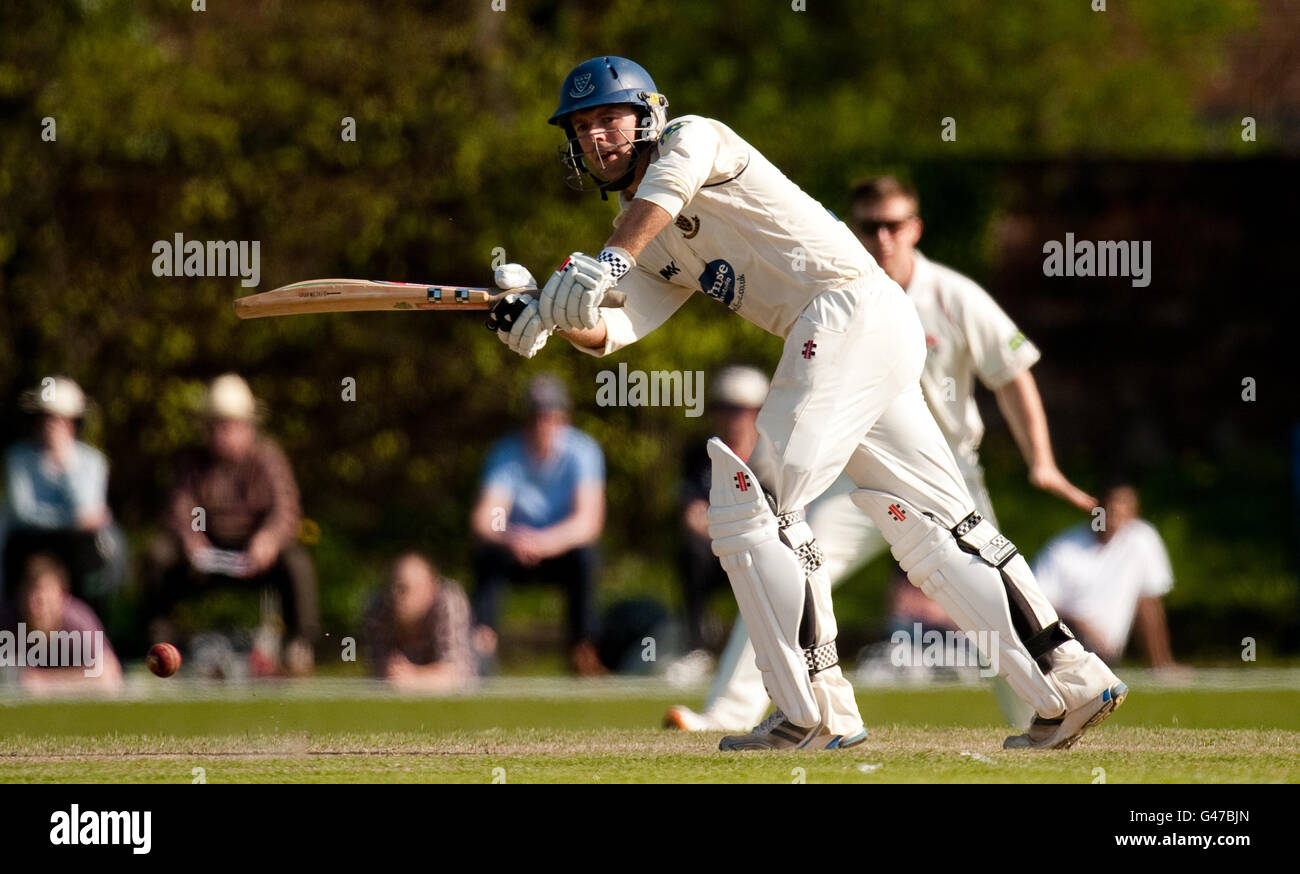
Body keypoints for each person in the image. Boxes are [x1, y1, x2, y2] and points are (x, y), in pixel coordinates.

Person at [492, 56, 1125, 750]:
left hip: (845, 312)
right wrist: (549, 321)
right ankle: (1071, 679)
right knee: (939, 525)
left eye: (609, 119)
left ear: (648, 115)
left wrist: (598, 266)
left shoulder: (696, 140)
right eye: (582, 128)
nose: (597, 138)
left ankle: (812, 711)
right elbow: (617, 326)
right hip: (863, 329)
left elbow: (656, 205)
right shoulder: (643, 235)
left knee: (754, 502)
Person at [666, 175, 1095, 732]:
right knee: (776, 558)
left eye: (895, 225)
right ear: (854, 227)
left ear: (914, 228)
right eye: (870, 226)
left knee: (982, 597)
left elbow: (1012, 375)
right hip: (853, 469)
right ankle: (739, 711)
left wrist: (1041, 459)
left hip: (946, 473)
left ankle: (1053, 706)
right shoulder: (836, 286)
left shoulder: (952, 295)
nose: (883, 237)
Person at [144, 373, 319, 675]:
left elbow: (285, 509)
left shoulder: (268, 458)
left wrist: (268, 539)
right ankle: (160, 648)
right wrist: (191, 539)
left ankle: (300, 648)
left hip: (255, 554)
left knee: (296, 562)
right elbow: (179, 508)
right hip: (203, 555)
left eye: (230, 425)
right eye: (216, 425)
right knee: (158, 556)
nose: (222, 433)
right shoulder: (191, 462)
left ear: (249, 426)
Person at [469, 375, 606, 676]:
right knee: (486, 556)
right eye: (535, 417)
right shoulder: (505, 454)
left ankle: (584, 649)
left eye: (549, 416)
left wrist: (544, 542)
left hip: (561, 550)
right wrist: (509, 537)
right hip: (515, 551)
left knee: (585, 558)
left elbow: (588, 522)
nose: (542, 425)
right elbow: (486, 518)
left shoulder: (583, 452)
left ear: (563, 418)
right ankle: (482, 645)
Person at [2, 377, 127, 606]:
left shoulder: (93, 462)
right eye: (46, 418)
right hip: (30, 543)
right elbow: (23, 513)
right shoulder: (17, 458)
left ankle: (90, 617)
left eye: (59, 420)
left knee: (90, 548)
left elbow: (88, 509)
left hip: (75, 548)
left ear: (73, 423)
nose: (51, 425)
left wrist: (66, 465)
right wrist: (71, 520)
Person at [1033, 481, 1180, 668]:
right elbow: (1037, 603)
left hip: (1105, 653)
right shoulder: (1063, 548)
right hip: (1063, 642)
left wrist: (1162, 663)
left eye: (1124, 507)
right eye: (1110, 507)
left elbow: (1148, 603)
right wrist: (1080, 622)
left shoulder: (1142, 540)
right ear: (1096, 508)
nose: (1115, 513)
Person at [677, 366, 769, 654]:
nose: (730, 418)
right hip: (717, 548)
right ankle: (696, 648)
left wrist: (722, 521)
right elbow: (692, 517)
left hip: (765, 549)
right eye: (724, 409)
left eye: (738, 410)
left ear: (757, 412)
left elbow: (791, 513)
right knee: (690, 553)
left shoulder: (772, 455)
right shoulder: (700, 455)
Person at [0, 553, 123, 695]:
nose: (35, 604)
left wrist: (43, 682)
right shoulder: (6, 621)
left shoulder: (77, 621)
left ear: (62, 596)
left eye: (43, 595)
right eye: (29, 592)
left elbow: (109, 675)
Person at [363, 552, 477, 691]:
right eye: (391, 586)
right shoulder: (378, 608)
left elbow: (460, 674)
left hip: (474, 661)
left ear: (430, 588)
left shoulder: (450, 602)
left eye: (403, 588)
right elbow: (378, 672)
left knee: (483, 654)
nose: (394, 595)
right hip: (420, 672)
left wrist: (414, 677)